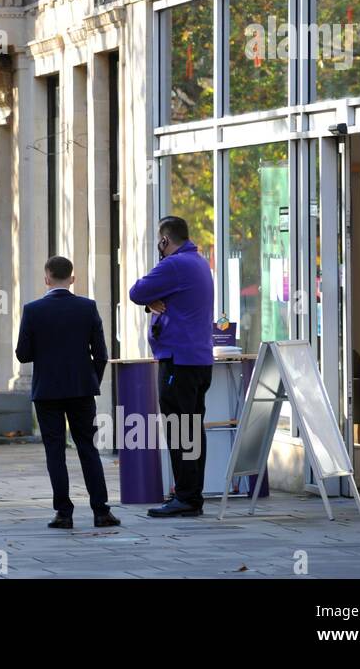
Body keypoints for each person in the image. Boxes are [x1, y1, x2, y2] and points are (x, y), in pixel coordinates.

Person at [15, 257, 120, 529]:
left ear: (46, 278)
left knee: (55, 451)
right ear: (72, 279)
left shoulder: (33, 310)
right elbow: (101, 354)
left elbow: (23, 354)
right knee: (87, 447)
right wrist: (90, 380)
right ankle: (101, 511)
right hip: (81, 389)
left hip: (47, 390)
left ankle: (63, 512)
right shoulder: (87, 307)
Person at [128, 215, 215, 518]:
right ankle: (191, 494)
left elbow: (137, 291)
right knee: (191, 429)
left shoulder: (174, 264)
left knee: (180, 429)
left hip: (179, 360)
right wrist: (154, 303)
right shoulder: (199, 261)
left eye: (159, 242)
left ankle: (186, 497)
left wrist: (150, 301)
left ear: (165, 240)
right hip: (198, 360)